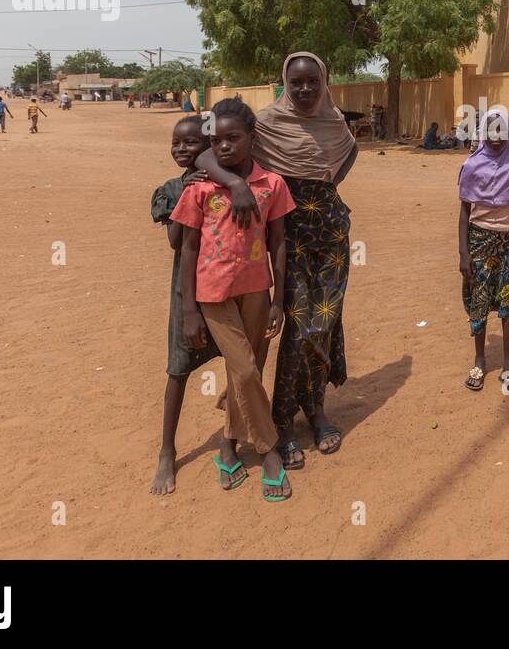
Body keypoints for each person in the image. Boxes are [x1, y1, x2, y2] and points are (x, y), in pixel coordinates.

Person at [196, 52, 358, 467]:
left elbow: (346, 155)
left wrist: (325, 190)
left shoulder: (335, 122)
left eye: (312, 82)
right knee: (299, 324)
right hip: (286, 233)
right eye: (296, 82)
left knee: (324, 323)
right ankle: (283, 420)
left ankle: (317, 409)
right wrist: (234, 182)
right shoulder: (264, 123)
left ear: (324, 82)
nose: (304, 89)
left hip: (330, 232)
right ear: (285, 83)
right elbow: (203, 152)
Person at [172, 97, 294, 502]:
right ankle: (269, 448)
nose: (223, 146)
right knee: (243, 373)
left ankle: (227, 445)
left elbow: (278, 243)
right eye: (217, 140)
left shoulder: (272, 185)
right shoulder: (201, 187)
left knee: (251, 370)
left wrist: (278, 298)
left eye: (233, 138)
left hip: (257, 289)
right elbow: (188, 247)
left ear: (252, 139)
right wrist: (189, 309)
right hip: (213, 293)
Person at [149, 116, 222, 495]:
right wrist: (184, 196)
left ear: (209, 145)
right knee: (178, 369)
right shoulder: (171, 189)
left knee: (243, 356)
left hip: (225, 287)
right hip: (188, 292)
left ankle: (235, 435)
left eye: (191, 143)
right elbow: (177, 243)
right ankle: (167, 450)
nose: (181, 149)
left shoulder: (226, 181)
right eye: (176, 143)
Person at [457, 108, 509, 398]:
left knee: (508, 300)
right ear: (483, 134)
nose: (496, 138)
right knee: (478, 301)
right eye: (491, 132)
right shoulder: (472, 167)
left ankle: (508, 366)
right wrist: (464, 254)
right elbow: (464, 212)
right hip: (479, 241)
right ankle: (479, 362)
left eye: (501, 132)